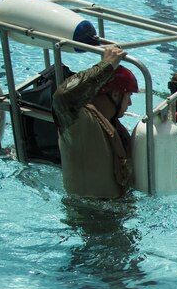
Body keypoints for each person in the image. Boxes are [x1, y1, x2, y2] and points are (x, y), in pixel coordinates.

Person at [53, 44, 137, 199]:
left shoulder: (111, 123)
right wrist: (106, 65)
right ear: (116, 95)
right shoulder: (81, 122)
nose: (130, 104)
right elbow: (63, 96)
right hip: (90, 215)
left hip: (115, 211)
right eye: (128, 96)